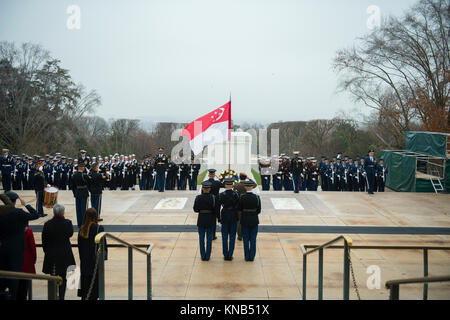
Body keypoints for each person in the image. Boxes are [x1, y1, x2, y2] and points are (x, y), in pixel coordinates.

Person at [0, 192, 40, 300]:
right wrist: (26, 204)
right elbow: (35, 215)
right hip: (16, 251)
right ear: (15, 201)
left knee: (3, 276)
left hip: (2, 248)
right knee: (15, 278)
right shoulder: (18, 213)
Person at [42, 204, 75, 300]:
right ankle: (61, 297)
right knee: (63, 278)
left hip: (52, 256)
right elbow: (70, 234)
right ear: (63, 213)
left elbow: (44, 241)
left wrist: (47, 252)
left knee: (53, 278)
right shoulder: (67, 223)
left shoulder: (48, 224)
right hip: (64, 255)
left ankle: (52, 296)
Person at [77, 208, 108, 300]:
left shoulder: (81, 230)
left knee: (85, 291)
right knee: (94, 292)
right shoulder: (99, 228)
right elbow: (103, 246)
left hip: (84, 263)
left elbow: (80, 248)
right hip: (95, 263)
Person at [193, 181, 219, 261]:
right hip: (210, 219)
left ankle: (202, 255)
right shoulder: (213, 198)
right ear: (209, 189)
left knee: (201, 238)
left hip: (201, 219)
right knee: (209, 238)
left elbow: (195, 209)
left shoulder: (198, 197)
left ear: (203, 189)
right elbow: (216, 209)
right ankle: (207, 256)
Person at [238, 180, 261, 262]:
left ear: (245, 187)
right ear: (252, 187)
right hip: (254, 219)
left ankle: (247, 256)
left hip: (245, 219)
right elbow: (259, 210)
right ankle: (252, 257)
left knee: (246, 239)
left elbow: (239, 208)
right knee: (253, 239)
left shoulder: (242, 197)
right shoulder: (257, 197)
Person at [218, 178, 240, 261]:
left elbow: (218, 207)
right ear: (232, 185)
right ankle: (230, 254)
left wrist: (219, 218)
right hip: (233, 215)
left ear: (225, 185)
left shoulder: (221, 194)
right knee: (232, 236)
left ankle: (225, 254)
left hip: (224, 215)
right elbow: (239, 206)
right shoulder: (236, 194)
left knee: (224, 236)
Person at [17, 221, 37, 300]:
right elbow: (32, 247)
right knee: (25, 286)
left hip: (16, 262)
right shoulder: (28, 231)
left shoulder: (13, 230)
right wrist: (34, 259)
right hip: (27, 261)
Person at [206, 169, 224, 240]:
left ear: (208, 175)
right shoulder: (217, 183)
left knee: (208, 219)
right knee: (214, 219)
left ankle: (208, 234)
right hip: (216, 202)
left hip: (208, 202)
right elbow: (224, 185)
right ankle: (213, 235)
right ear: (214, 175)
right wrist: (221, 179)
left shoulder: (205, 183)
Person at [71, 162, 90, 227]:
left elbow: (72, 186)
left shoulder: (74, 175)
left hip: (77, 193)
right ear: (82, 168)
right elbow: (89, 183)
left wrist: (74, 193)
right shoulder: (84, 175)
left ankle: (79, 224)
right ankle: (84, 224)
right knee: (84, 209)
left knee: (78, 210)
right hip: (84, 193)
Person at [233, 173, 247, 241]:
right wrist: (249, 179)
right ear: (245, 178)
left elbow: (233, 192)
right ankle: (246, 234)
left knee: (239, 221)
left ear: (240, 178)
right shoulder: (248, 184)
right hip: (246, 204)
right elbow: (255, 185)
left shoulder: (236, 185)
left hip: (239, 204)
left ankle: (240, 236)